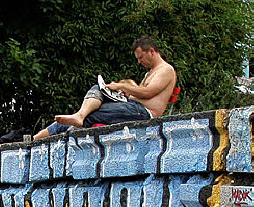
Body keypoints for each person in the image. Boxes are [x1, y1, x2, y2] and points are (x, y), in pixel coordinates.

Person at [33, 36, 177, 140]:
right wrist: (124, 92)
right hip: (133, 106)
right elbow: (141, 93)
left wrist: (121, 85)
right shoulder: (150, 72)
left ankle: (55, 136)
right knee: (96, 90)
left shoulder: (165, 70)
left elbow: (148, 92)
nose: (139, 62)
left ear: (151, 51)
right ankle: (71, 120)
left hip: (143, 112)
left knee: (93, 114)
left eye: (141, 57)